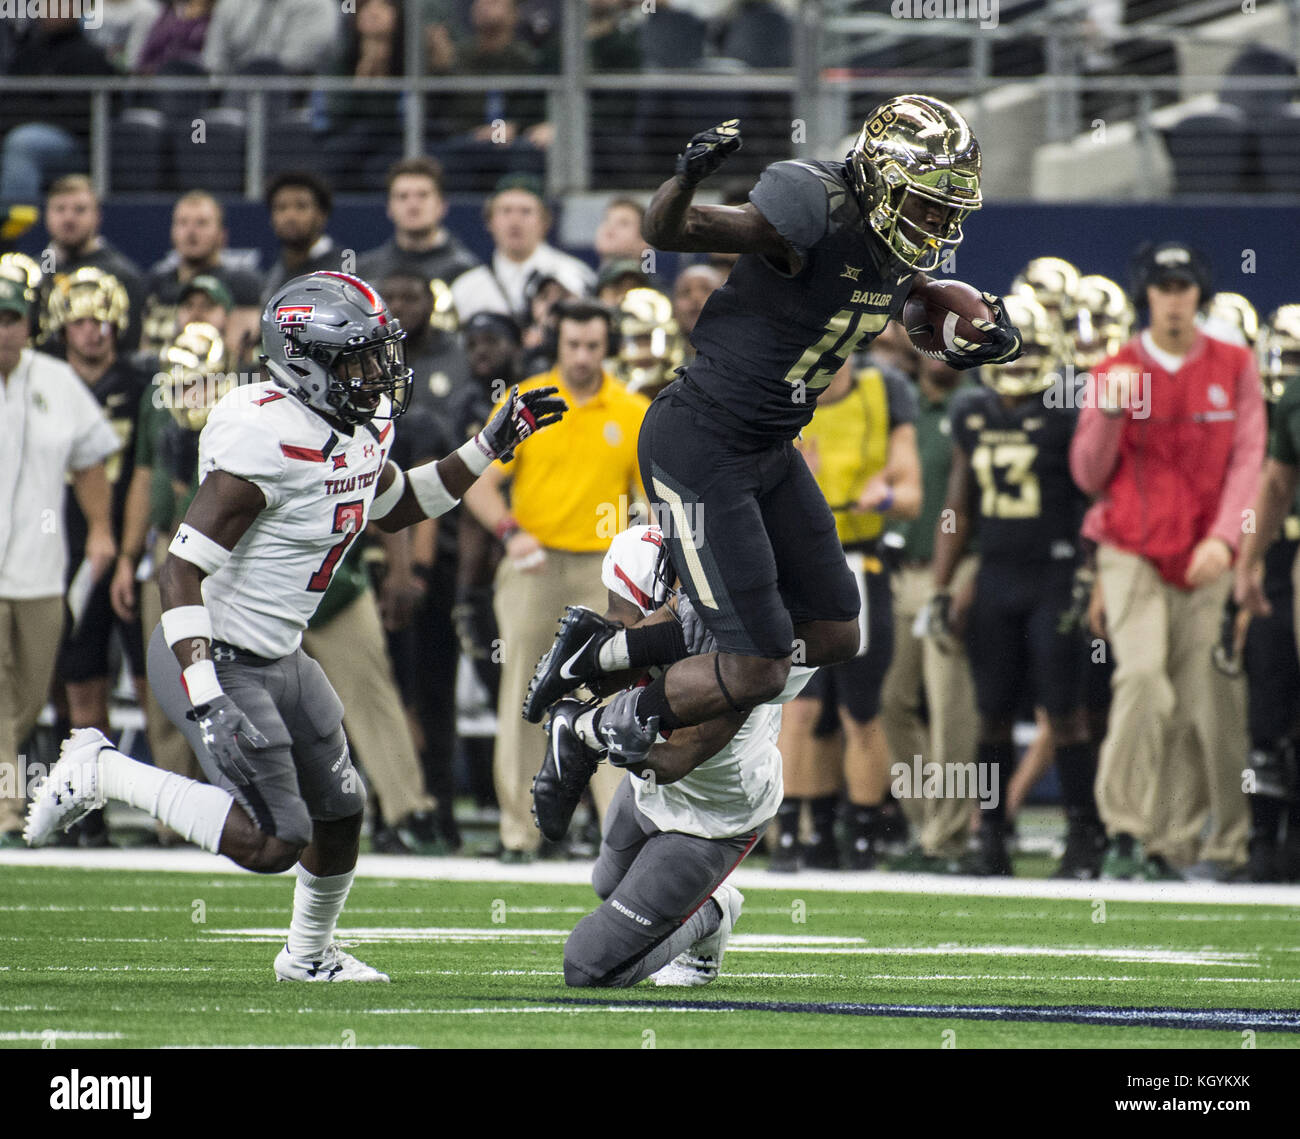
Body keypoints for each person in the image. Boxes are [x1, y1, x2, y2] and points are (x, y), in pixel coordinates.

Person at [26, 270, 567, 983]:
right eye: (360, 358)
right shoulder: (265, 440)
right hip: (212, 651)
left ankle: (308, 955)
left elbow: (397, 502)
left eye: (382, 354)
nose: (379, 373)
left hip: (281, 652)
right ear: (306, 364)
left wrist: (486, 446)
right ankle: (103, 768)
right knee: (276, 837)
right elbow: (179, 571)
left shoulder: (358, 420)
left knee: (342, 810)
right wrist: (206, 692)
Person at [521, 99, 1020, 767]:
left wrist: (974, 333)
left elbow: (897, 299)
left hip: (768, 447)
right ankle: (589, 725)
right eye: (930, 204)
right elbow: (672, 229)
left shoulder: (891, 245)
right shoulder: (815, 207)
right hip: (701, 439)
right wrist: (686, 179)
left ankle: (606, 650)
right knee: (758, 665)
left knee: (837, 631)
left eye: (949, 209)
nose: (941, 222)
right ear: (882, 180)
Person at [536, 523, 815, 988]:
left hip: (711, 816)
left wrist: (603, 741)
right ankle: (685, 901)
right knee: (608, 884)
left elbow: (677, 758)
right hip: (650, 789)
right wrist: (578, 669)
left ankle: (712, 911)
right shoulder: (662, 593)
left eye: (623, 608)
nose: (616, 621)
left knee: (587, 967)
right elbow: (618, 653)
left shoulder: (738, 660)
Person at [1071, 241, 1263, 881]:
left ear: (1199, 295)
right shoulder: (1116, 369)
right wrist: (1106, 411)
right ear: (1145, 295)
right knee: (1144, 680)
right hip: (1131, 548)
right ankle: (1124, 829)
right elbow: (1088, 474)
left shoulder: (1235, 366)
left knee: (1192, 703)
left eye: (1184, 287)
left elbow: (1247, 461)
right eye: (1163, 286)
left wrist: (1227, 542)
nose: (1174, 298)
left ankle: (1170, 843)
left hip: (1205, 553)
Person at [462, 300, 648, 861]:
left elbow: (649, 499)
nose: (584, 357)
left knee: (609, 695)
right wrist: (510, 531)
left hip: (604, 572)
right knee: (525, 693)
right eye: (574, 346)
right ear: (556, 344)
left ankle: (617, 836)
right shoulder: (528, 403)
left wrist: (639, 545)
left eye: (594, 346)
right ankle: (521, 834)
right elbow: (477, 482)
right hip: (533, 564)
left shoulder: (633, 410)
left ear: (606, 347)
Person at [928, 293, 1102, 879]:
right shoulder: (972, 410)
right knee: (992, 713)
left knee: (1066, 709)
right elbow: (958, 505)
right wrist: (942, 585)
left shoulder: (1069, 407)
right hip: (998, 573)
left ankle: (1085, 837)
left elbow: (1095, 498)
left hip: (1056, 573)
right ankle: (992, 840)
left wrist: (1090, 571)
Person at [773, 354, 920, 871]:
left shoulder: (883, 392)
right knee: (802, 707)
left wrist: (882, 497)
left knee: (860, 708)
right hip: (800, 563)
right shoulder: (783, 396)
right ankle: (793, 832)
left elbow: (911, 494)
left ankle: (861, 834)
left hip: (861, 558)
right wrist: (797, 485)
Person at [0, 276, 120, 847]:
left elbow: (90, 458)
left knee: (26, 698)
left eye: (12, 319)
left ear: (29, 326)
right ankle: (6, 809)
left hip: (42, 567)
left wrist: (100, 528)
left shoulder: (55, 380)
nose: (3, 329)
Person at [45, 269, 151, 846]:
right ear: (64, 327)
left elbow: (145, 473)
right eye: (81, 321)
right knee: (75, 684)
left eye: (101, 320)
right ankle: (82, 808)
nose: (92, 332)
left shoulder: (139, 383)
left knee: (148, 682)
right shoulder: (44, 383)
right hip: (57, 544)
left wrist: (128, 552)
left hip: (123, 549)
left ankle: (168, 812)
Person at [878, 353, 980, 874]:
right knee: (889, 699)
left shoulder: (977, 405)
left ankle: (949, 835)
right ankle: (926, 821)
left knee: (950, 708)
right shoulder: (899, 405)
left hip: (959, 570)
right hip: (900, 568)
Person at [1235, 304, 1300, 881]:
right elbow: (1276, 484)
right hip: (1281, 566)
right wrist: (1249, 563)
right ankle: (1263, 839)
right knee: (1267, 710)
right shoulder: (1283, 403)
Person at [451, 174, 595, 325]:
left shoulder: (574, 277)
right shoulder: (466, 287)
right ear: (490, 222)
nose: (515, 221)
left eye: (526, 211)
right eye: (506, 211)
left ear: (545, 221)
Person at [139, 190, 262, 359]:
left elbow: (242, 355)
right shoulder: (155, 283)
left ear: (222, 235)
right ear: (172, 231)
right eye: (183, 223)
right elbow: (144, 347)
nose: (191, 232)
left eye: (202, 223)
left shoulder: (242, 285)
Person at [36, 176, 145, 352]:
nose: (68, 218)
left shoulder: (122, 275)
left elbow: (129, 345)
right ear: (47, 215)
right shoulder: (36, 273)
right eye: (60, 209)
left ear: (97, 216)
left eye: (79, 210)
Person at [355, 158, 481, 293]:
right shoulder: (366, 273)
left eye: (423, 195)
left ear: (442, 206)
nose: (413, 205)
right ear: (389, 208)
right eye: (403, 196)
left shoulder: (467, 273)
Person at [260, 172, 343, 305]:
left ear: (322, 215)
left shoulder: (343, 271)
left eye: (301, 206)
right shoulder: (272, 277)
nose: (290, 216)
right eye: (281, 208)